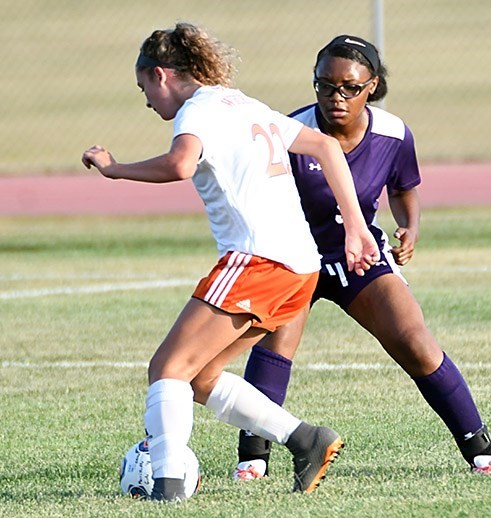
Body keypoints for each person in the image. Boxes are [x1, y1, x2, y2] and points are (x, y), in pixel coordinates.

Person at [81, 23, 381, 500]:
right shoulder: (239, 102)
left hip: (258, 259)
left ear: (161, 75)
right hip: (299, 267)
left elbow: (181, 165)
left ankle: (169, 484)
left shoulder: (197, 110)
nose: (146, 102)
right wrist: (357, 227)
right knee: (199, 377)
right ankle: (306, 440)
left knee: (167, 368)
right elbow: (325, 145)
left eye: (144, 89)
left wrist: (116, 169)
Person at [226, 35, 491, 480]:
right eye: (325, 86)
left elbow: (402, 188)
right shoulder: (289, 132)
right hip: (295, 257)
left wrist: (409, 227)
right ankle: (252, 459)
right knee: (276, 345)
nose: (336, 97)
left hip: (360, 255)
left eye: (350, 88)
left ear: (372, 86)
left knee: (415, 342)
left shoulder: (393, 133)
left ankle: (481, 450)